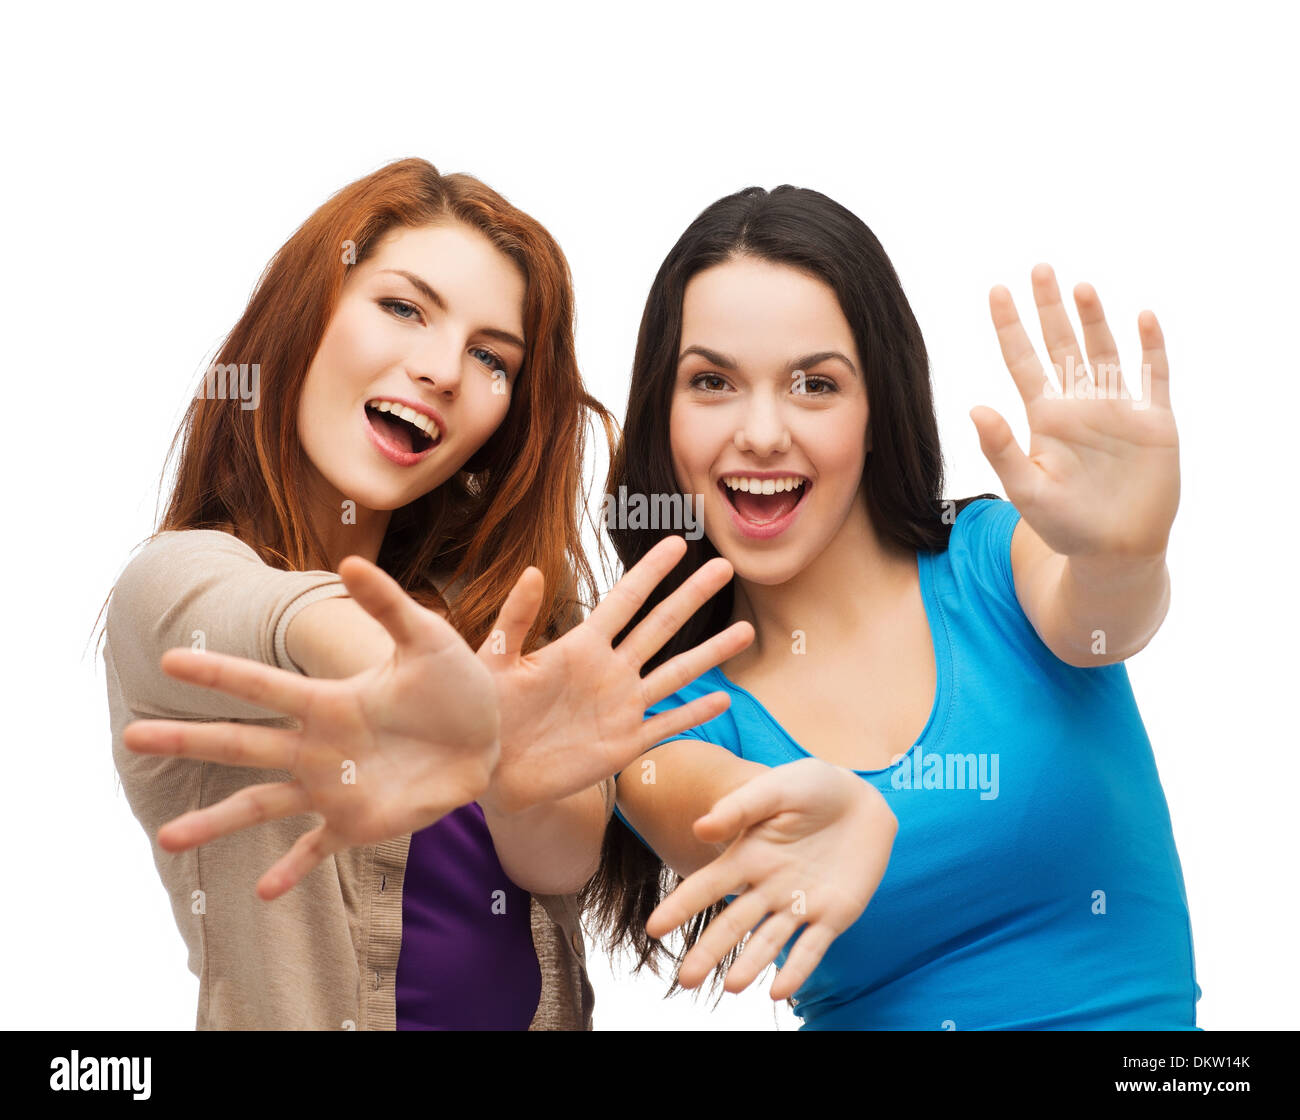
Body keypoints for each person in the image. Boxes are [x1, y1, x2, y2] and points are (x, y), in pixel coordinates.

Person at [103, 157, 752, 1030]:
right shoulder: (175, 582)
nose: (445, 369)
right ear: (307, 314)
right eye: (402, 308)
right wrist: (444, 695)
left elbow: (557, 863)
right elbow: (291, 624)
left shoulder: (511, 615)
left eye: (492, 357)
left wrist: (507, 759)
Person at [582, 184, 1200, 1030]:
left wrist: (1125, 553)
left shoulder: (990, 560)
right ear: (664, 414)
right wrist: (801, 814)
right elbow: (706, 807)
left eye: (814, 384)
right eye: (713, 381)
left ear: (878, 409)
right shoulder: (659, 691)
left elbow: (1102, 616)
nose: (762, 433)